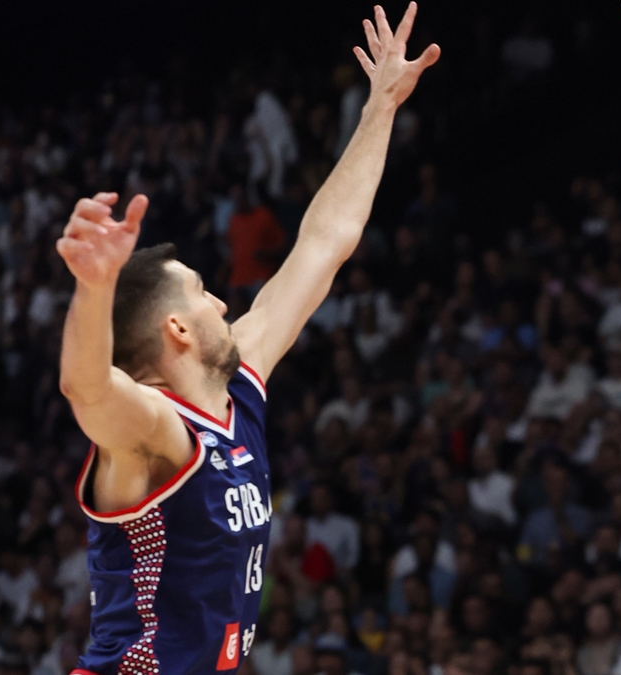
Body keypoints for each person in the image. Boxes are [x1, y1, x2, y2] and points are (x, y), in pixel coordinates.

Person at [54, 5, 439, 673]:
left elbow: (324, 243)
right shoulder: (155, 430)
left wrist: (380, 107)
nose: (223, 301)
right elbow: (85, 385)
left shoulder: (241, 380)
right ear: (176, 328)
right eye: (204, 292)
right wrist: (93, 287)